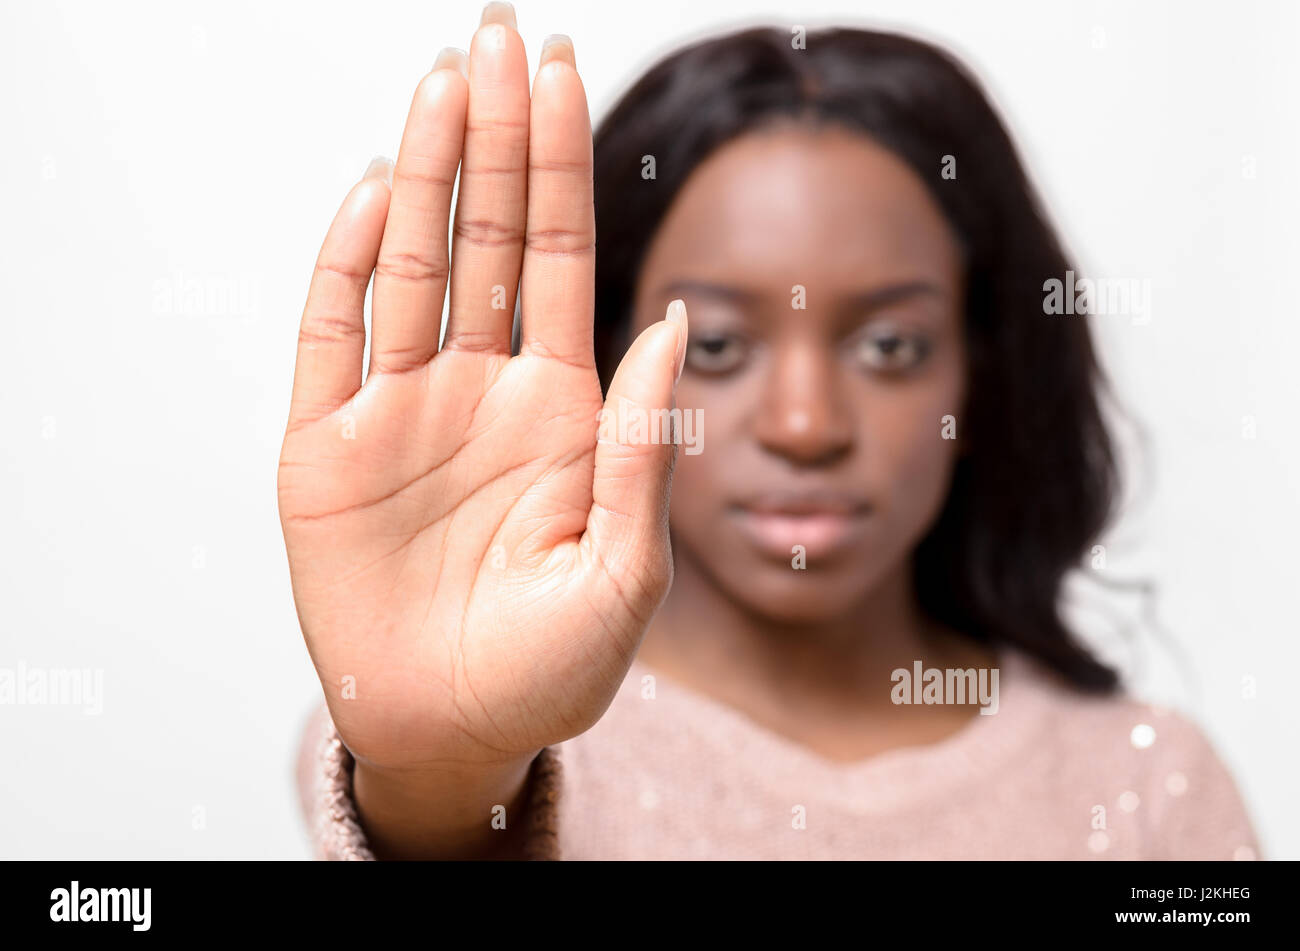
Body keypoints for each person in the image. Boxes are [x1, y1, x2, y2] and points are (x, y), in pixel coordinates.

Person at [278, 2, 1260, 860]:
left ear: (983, 372)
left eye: (888, 347)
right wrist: (446, 782)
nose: (804, 426)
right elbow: (448, 800)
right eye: (711, 345)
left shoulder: (1142, 792)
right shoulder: (458, 747)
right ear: (604, 367)